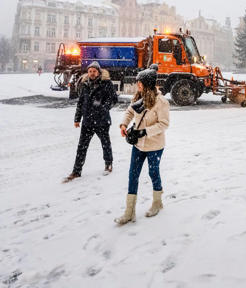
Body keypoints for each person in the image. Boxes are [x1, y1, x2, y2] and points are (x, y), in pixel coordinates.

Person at [115, 66, 170, 225]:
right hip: (138, 145)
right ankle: (129, 211)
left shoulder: (161, 101)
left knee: (153, 173)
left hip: (155, 145)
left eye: (140, 82)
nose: (137, 84)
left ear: (147, 83)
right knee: (133, 175)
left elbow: (164, 124)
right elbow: (130, 112)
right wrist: (123, 125)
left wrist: (145, 131)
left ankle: (157, 202)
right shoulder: (138, 97)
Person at [63, 61, 118, 182]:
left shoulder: (106, 83)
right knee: (81, 147)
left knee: (105, 144)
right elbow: (81, 102)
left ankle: (108, 163)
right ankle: (76, 171)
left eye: (94, 71)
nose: (92, 73)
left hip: (102, 120)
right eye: (90, 71)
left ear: (98, 72)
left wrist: (104, 107)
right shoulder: (85, 84)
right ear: (87, 72)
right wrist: (77, 119)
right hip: (87, 121)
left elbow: (114, 99)